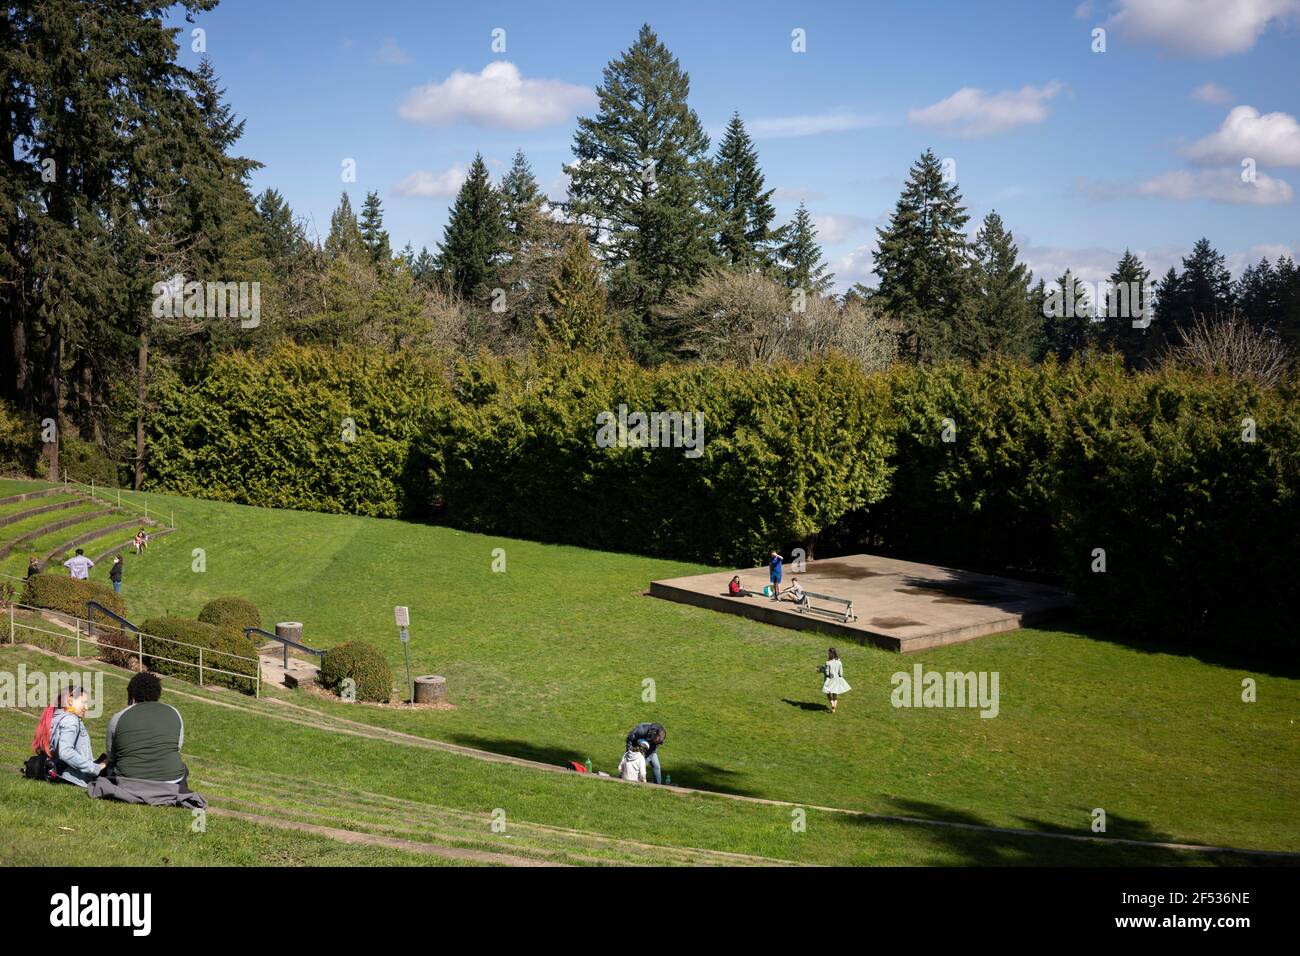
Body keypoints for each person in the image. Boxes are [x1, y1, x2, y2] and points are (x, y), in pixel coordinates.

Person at [89, 671, 206, 808]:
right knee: (183, 768)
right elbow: (177, 747)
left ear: (132, 696)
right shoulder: (174, 712)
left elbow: (112, 755)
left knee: (108, 766)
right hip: (171, 781)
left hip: (129, 781)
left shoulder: (119, 717)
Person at [49, 685, 105, 788]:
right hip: (76, 779)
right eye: (84, 702)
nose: (86, 707)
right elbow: (65, 752)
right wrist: (95, 768)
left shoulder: (57, 717)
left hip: (67, 775)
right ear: (70, 700)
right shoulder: (71, 720)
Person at [821, 648, 852, 714]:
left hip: (830, 680)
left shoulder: (828, 663)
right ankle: (834, 709)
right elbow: (841, 673)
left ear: (830, 654)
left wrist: (822, 670)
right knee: (835, 694)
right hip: (837, 680)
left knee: (828, 693)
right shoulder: (839, 662)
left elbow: (827, 673)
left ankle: (832, 703)